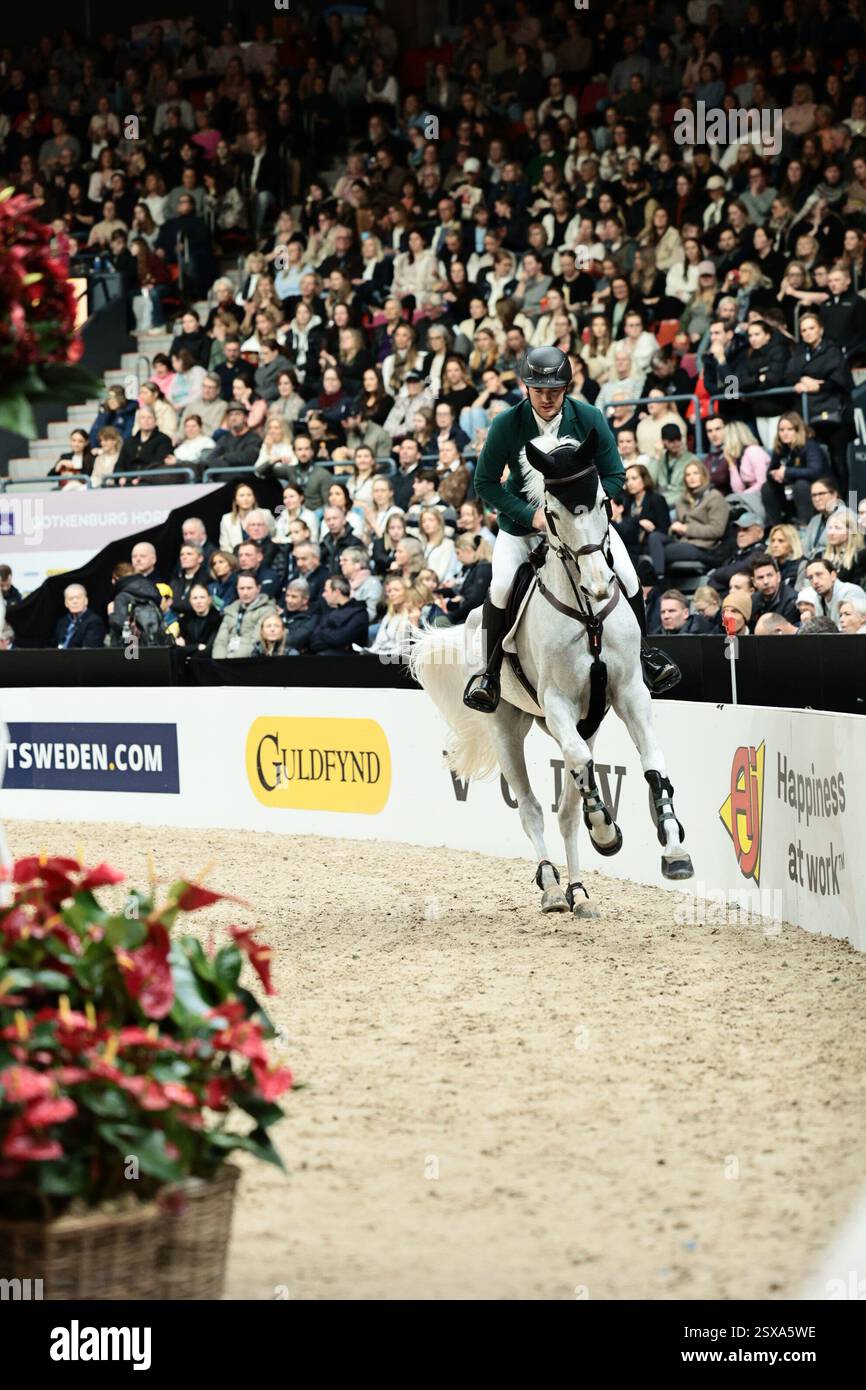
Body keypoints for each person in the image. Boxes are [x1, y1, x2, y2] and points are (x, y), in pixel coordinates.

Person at [463, 346, 679, 712]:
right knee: (500, 586)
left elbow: (615, 475)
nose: (547, 398)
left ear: (567, 387)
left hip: (581, 528)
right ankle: (490, 674)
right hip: (523, 526)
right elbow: (484, 483)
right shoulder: (506, 424)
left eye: (555, 390)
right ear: (525, 387)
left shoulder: (589, 416)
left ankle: (646, 655)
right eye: (539, 390)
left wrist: (584, 512)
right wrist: (529, 516)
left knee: (626, 575)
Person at [760, 413, 824, 527]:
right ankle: (773, 527)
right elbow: (770, 472)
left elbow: (815, 471)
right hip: (789, 490)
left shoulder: (810, 446)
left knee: (801, 485)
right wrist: (775, 475)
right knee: (767, 487)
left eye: (789, 429)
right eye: (781, 430)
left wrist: (787, 472)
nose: (784, 433)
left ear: (798, 430)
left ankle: (804, 525)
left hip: (812, 489)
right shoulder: (780, 448)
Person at [211, 572, 278, 659]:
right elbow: (221, 640)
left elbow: (257, 641)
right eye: (241, 588)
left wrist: (231, 659)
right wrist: (220, 661)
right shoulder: (230, 610)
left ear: (258, 588)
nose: (245, 592)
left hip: (249, 661)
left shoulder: (268, 610)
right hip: (226, 661)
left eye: (249, 588)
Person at [308, 575, 369, 654]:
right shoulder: (330, 610)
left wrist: (323, 631)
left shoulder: (359, 614)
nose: (323, 595)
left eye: (326, 591)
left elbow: (340, 638)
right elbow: (314, 640)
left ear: (336, 592)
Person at [804, 557, 866, 626]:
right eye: (810, 578)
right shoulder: (817, 599)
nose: (815, 581)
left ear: (833, 575)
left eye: (819, 574)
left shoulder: (851, 592)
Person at [749, 555, 800, 629]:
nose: (766, 582)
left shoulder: (792, 600)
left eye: (769, 575)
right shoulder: (753, 600)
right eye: (760, 577)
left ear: (778, 577)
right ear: (754, 582)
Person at [55, 584, 106, 649]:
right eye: (70, 599)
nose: (75, 601)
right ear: (66, 603)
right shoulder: (62, 622)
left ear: (86, 601)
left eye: (78, 598)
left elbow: (88, 651)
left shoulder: (95, 622)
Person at [177, 583, 221, 654]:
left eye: (202, 597)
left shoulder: (218, 620)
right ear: (190, 601)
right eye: (195, 598)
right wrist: (197, 646)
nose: (198, 601)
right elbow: (179, 646)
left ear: (209, 600)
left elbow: (209, 648)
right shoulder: (185, 620)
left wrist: (188, 647)